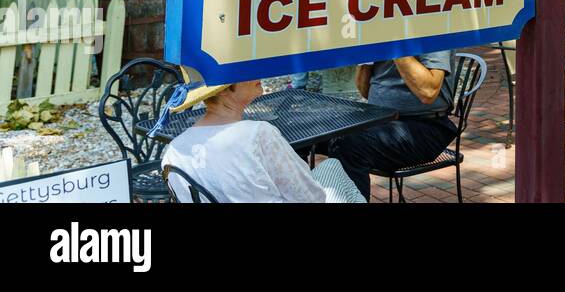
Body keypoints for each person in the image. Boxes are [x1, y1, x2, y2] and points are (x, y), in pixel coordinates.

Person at [157, 70, 364, 203]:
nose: (259, 73)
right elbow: (311, 197)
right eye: (247, 69)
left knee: (327, 167)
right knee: (332, 169)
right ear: (225, 90)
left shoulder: (173, 152)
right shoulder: (257, 134)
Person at [328, 52, 458, 200]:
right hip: (380, 120)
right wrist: (366, 58)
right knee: (314, 135)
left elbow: (428, 92)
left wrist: (394, 47)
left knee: (348, 145)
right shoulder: (380, 39)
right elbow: (365, 92)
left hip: (426, 126)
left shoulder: (431, 36)